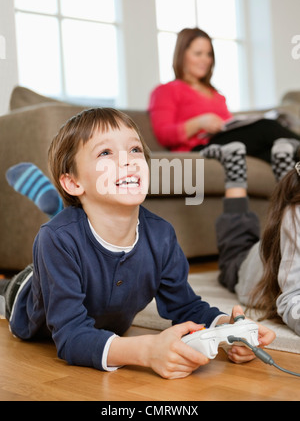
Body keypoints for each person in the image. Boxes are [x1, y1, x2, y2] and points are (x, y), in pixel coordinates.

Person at [0, 107, 275, 379]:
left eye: (134, 150)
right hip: (26, 294)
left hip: (73, 248)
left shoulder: (161, 234)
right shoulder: (55, 239)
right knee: (20, 276)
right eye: (105, 153)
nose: (128, 161)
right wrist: (145, 351)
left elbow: (186, 306)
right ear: (72, 182)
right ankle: (59, 212)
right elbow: (71, 337)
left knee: (69, 232)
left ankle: (60, 208)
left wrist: (228, 327)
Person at [148, 27, 300, 176]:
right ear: (182, 55)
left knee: (280, 152)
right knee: (266, 126)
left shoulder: (215, 94)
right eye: (198, 53)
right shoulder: (166, 90)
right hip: (200, 148)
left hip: (227, 142)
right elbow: (164, 134)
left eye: (208, 54)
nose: (205, 60)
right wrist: (199, 123)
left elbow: (229, 125)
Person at [204, 140, 300, 336]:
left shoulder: (294, 210)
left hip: (274, 247)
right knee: (234, 252)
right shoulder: (295, 212)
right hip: (252, 267)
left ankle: (276, 169)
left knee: (283, 215)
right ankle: (234, 169)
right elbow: (291, 298)